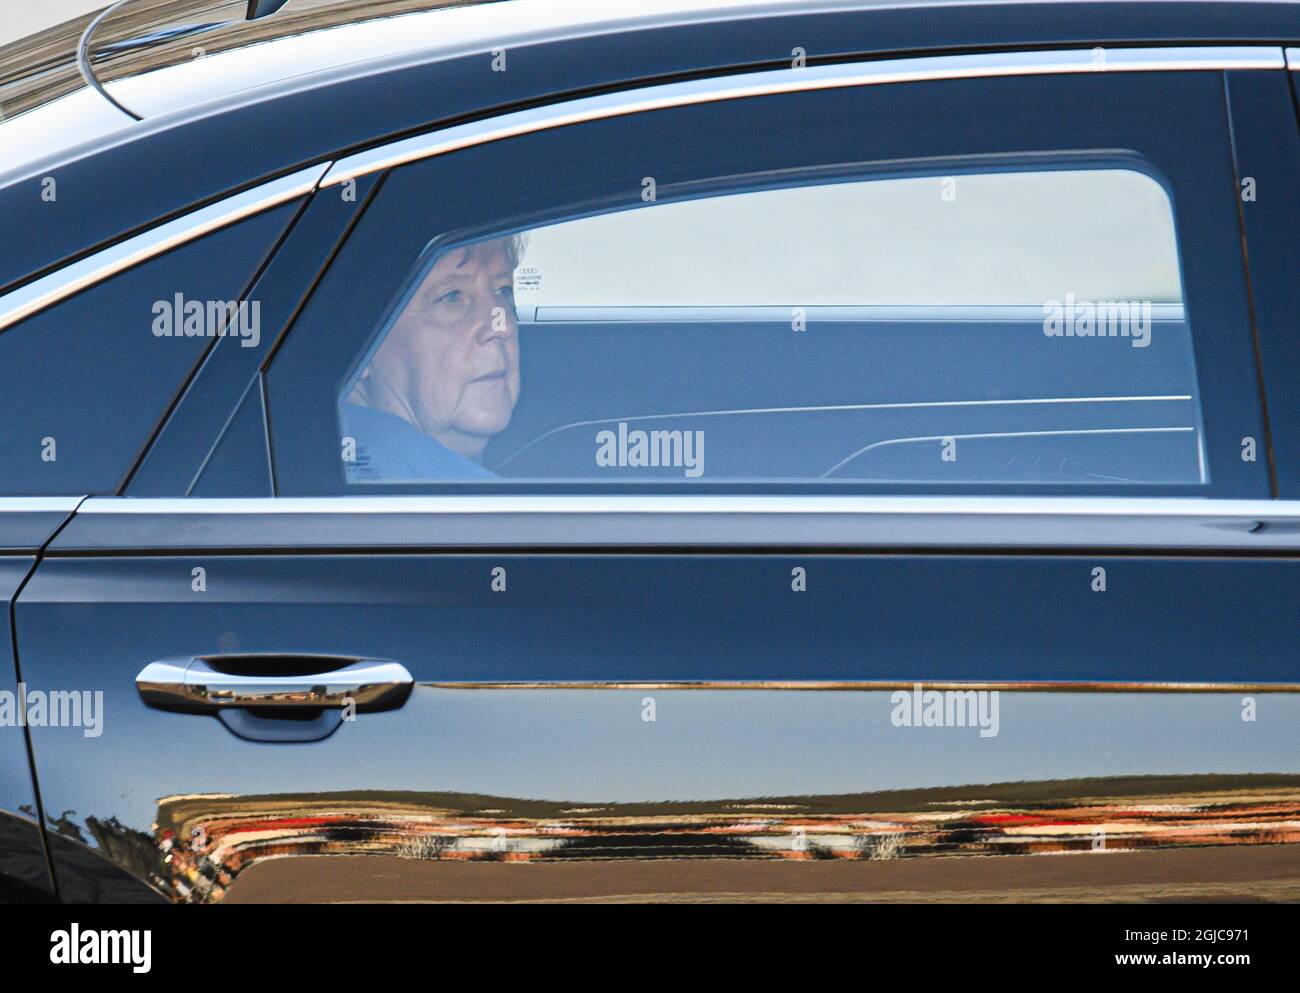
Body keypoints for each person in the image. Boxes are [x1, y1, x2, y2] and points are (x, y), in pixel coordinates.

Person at [342, 235, 522, 480]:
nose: (502, 327)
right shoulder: (400, 485)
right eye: (451, 296)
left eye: (503, 290)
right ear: (359, 342)